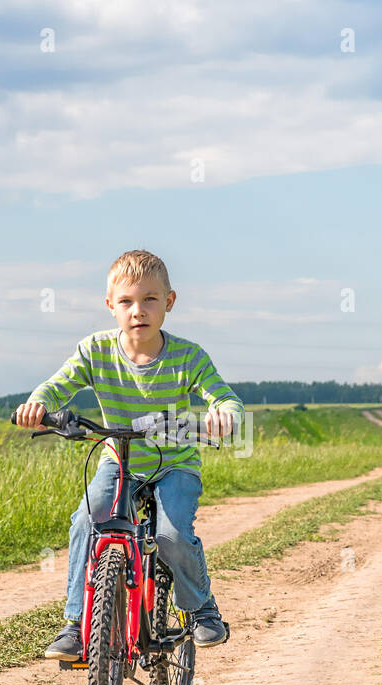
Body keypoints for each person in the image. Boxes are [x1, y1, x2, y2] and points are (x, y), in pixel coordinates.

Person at [13, 249, 244, 660]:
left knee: (171, 536)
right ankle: (75, 624)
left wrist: (223, 414)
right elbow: (56, 387)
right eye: (126, 301)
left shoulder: (188, 357)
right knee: (88, 519)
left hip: (174, 464)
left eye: (150, 299)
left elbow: (224, 398)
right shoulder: (94, 351)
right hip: (118, 460)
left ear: (169, 302)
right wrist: (37, 405)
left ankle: (200, 608)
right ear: (110, 306)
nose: (138, 310)